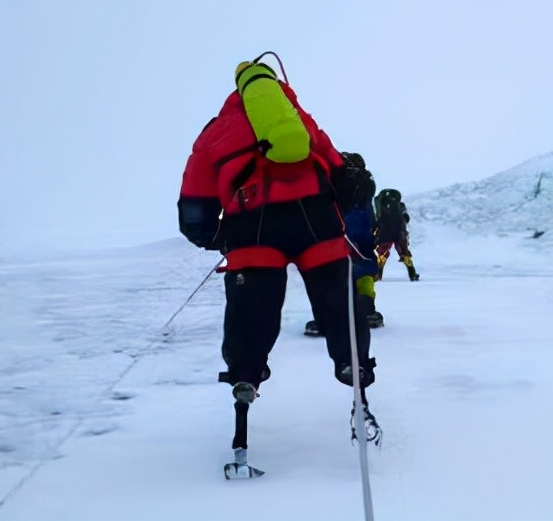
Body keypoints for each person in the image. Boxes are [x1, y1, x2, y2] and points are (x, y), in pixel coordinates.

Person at [177, 56, 380, 469]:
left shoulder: (216, 130)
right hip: (316, 219)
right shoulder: (297, 117)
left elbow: (194, 211)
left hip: (253, 226)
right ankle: (352, 369)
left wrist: (219, 239)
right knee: (338, 305)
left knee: (252, 316)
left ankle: (245, 384)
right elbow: (340, 171)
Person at [304, 151, 384, 336]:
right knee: (363, 267)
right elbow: (369, 217)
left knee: (332, 271)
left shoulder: (335, 179)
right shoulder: (364, 184)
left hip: (334, 231)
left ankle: (327, 316)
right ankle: (366, 309)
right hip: (361, 236)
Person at [374, 188, 420, 281]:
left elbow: (377, 220)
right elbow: (406, 219)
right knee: (404, 252)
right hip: (400, 232)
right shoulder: (401, 206)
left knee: (382, 253)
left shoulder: (381, 207)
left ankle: (378, 274)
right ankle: (412, 273)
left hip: (385, 232)